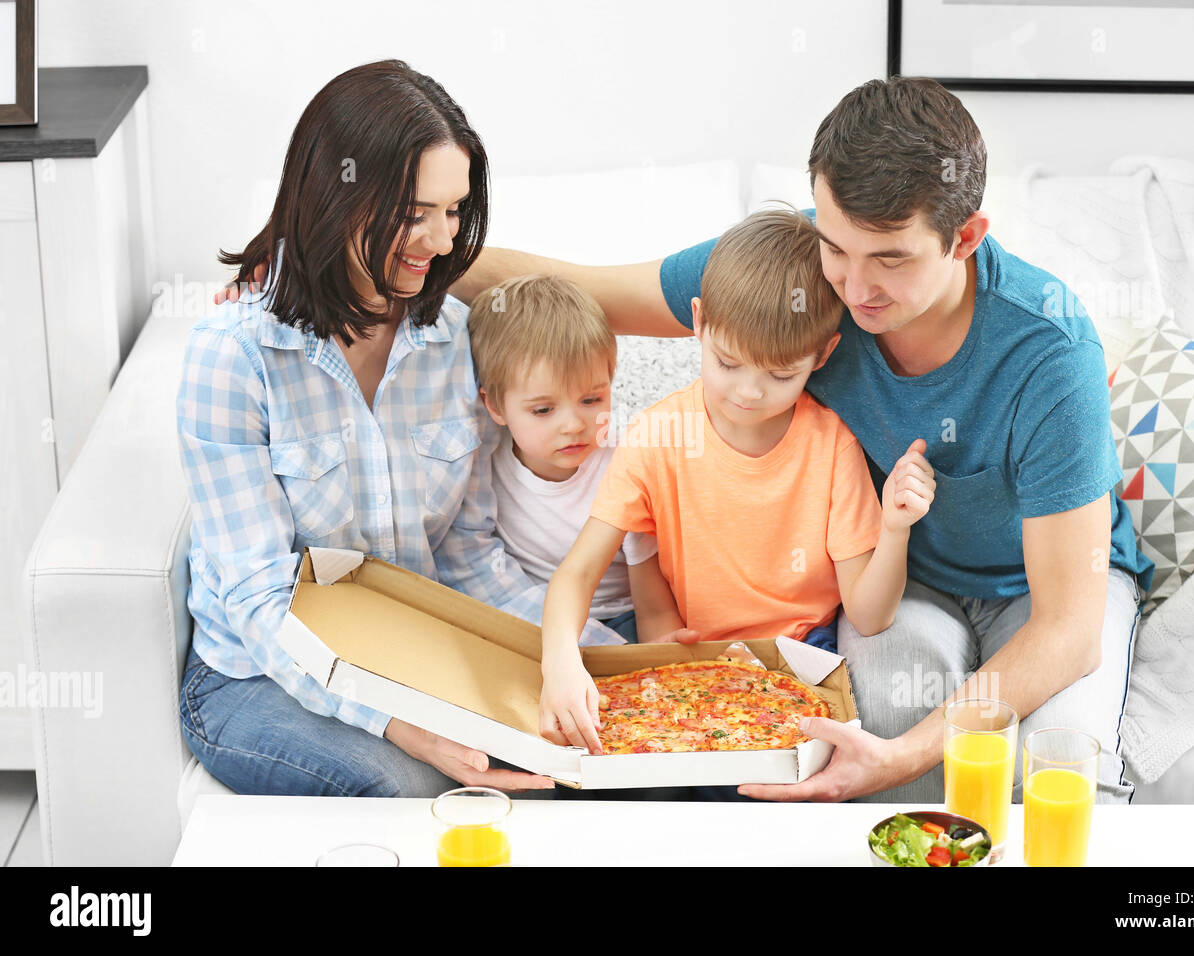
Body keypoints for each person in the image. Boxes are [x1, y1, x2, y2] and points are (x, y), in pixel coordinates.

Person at [451, 77, 1154, 805]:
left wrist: (903, 756)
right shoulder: (792, 285)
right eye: (836, 247)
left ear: (965, 237)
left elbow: (1067, 631)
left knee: (1061, 775)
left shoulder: (1048, 350)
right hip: (906, 577)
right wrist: (417, 255)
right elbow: (579, 289)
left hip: (1037, 593)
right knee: (878, 711)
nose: (853, 288)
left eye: (889, 258)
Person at [178, 60, 608, 799]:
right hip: (255, 678)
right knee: (405, 786)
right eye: (414, 212)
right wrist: (397, 721)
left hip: (414, 658)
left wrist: (596, 658)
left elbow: (468, 558)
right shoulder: (233, 358)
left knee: (591, 753)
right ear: (336, 198)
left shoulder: (454, 343)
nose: (441, 240)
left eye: (454, 209)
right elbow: (257, 600)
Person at [537, 207, 935, 755]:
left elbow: (868, 616)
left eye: (779, 375)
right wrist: (559, 662)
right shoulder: (658, 434)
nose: (749, 392)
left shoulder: (832, 443)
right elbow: (576, 574)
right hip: (693, 660)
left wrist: (895, 529)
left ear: (822, 354)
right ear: (697, 322)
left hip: (804, 657)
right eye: (726, 363)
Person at [465, 273, 673, 645]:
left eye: (591, 400)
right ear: (494, 406)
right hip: (531, 615)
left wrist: (661, 659)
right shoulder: (483, 466)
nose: (574, 425)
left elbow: (654, 606)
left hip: (620, 618)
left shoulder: (622, 466)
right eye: (544, 409)